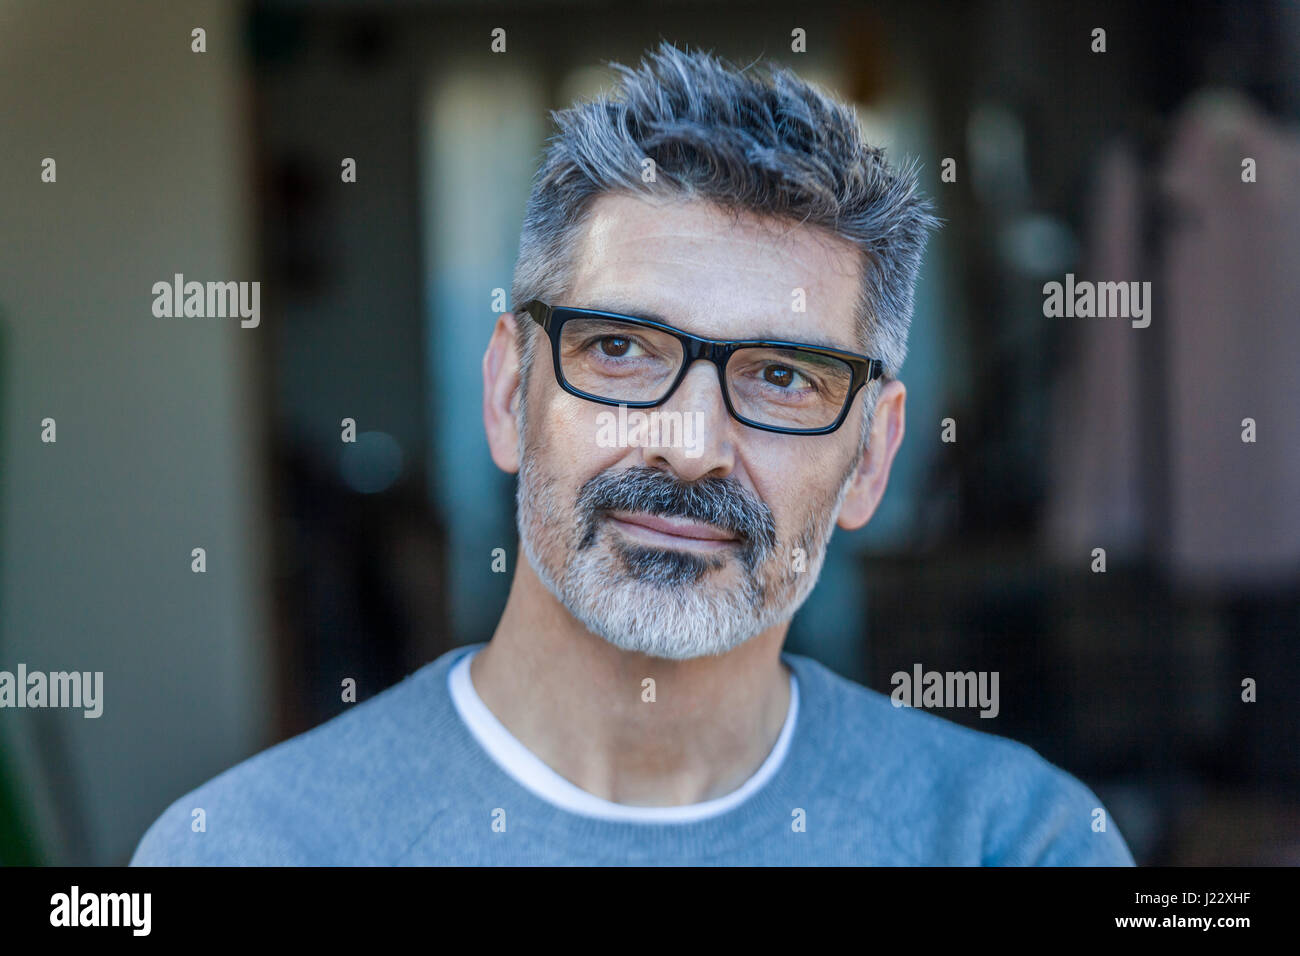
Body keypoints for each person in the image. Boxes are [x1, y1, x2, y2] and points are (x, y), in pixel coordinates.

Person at [132, 41, 1134, 866]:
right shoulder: (248, 848)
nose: (692, 447)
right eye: (619, 349)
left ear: (870, 456)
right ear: (505, 392)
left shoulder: (1016, 841)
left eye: (783, 376)